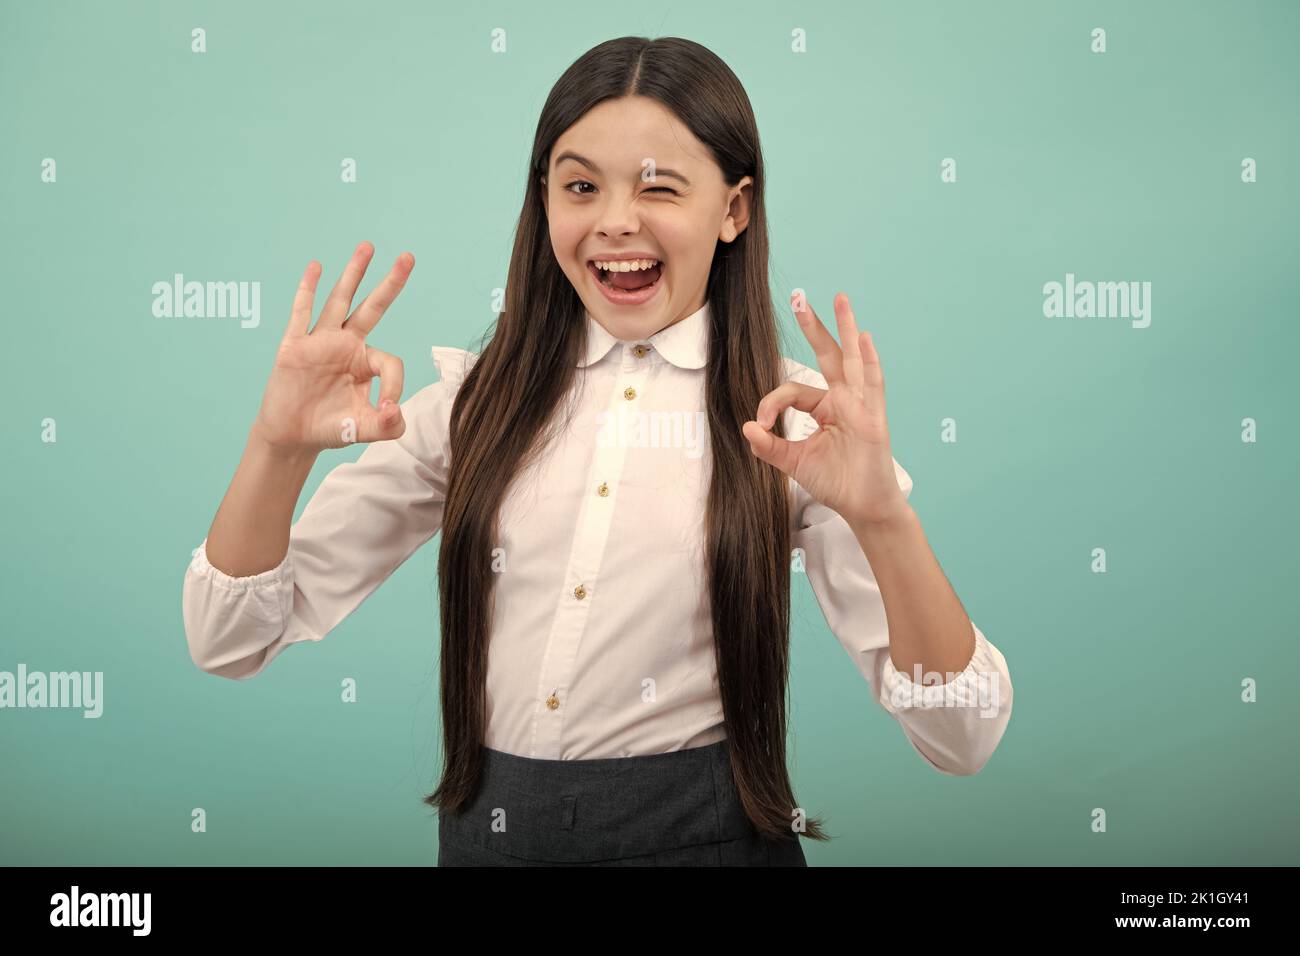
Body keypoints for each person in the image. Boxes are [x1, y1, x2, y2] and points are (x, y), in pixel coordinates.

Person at [182, 36, 1014, 867]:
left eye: (658, 185)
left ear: (734, 209)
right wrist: (278, 445)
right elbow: (229, 640)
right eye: (580, 186)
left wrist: (882, 516)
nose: (616, 219)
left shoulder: (796, 422)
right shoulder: (472, 407)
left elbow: (961, 737)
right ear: (543, 201)